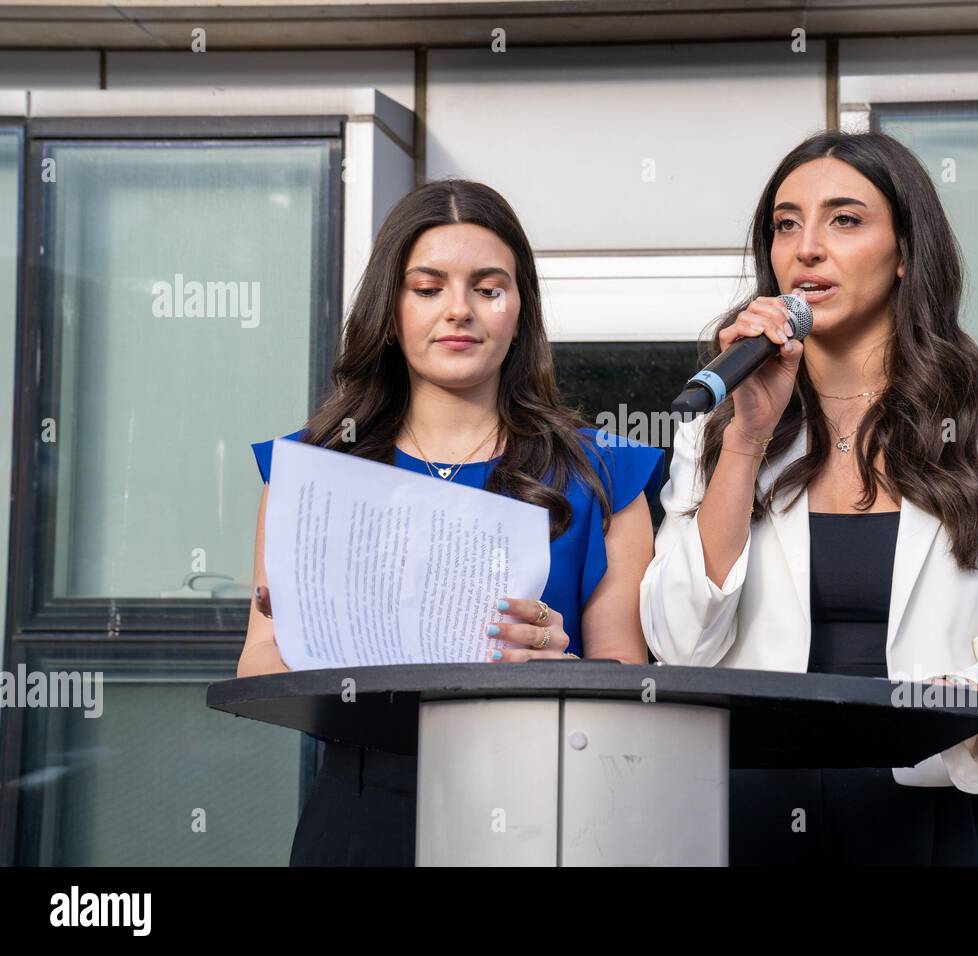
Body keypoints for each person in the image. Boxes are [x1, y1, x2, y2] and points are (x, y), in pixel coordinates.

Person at [639, 130, 978, 865]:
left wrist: (955, 704)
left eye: (845, 220)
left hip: (937, 795)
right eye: (787, 224)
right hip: (753, 806)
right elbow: (681, 641)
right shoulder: (727, 414)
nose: (807, 247)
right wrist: (745, 440)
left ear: (906, 251)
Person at [239, 178, 665, 866]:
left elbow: (631, 686)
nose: (459, 311)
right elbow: (259, 667)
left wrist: (565, 665)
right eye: (428, 287)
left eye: (488, 287)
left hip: (545, 816)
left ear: (520, 310)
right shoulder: (313, 470)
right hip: (359, 812)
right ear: (390, 307)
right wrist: (307, 631)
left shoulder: (605, 474)